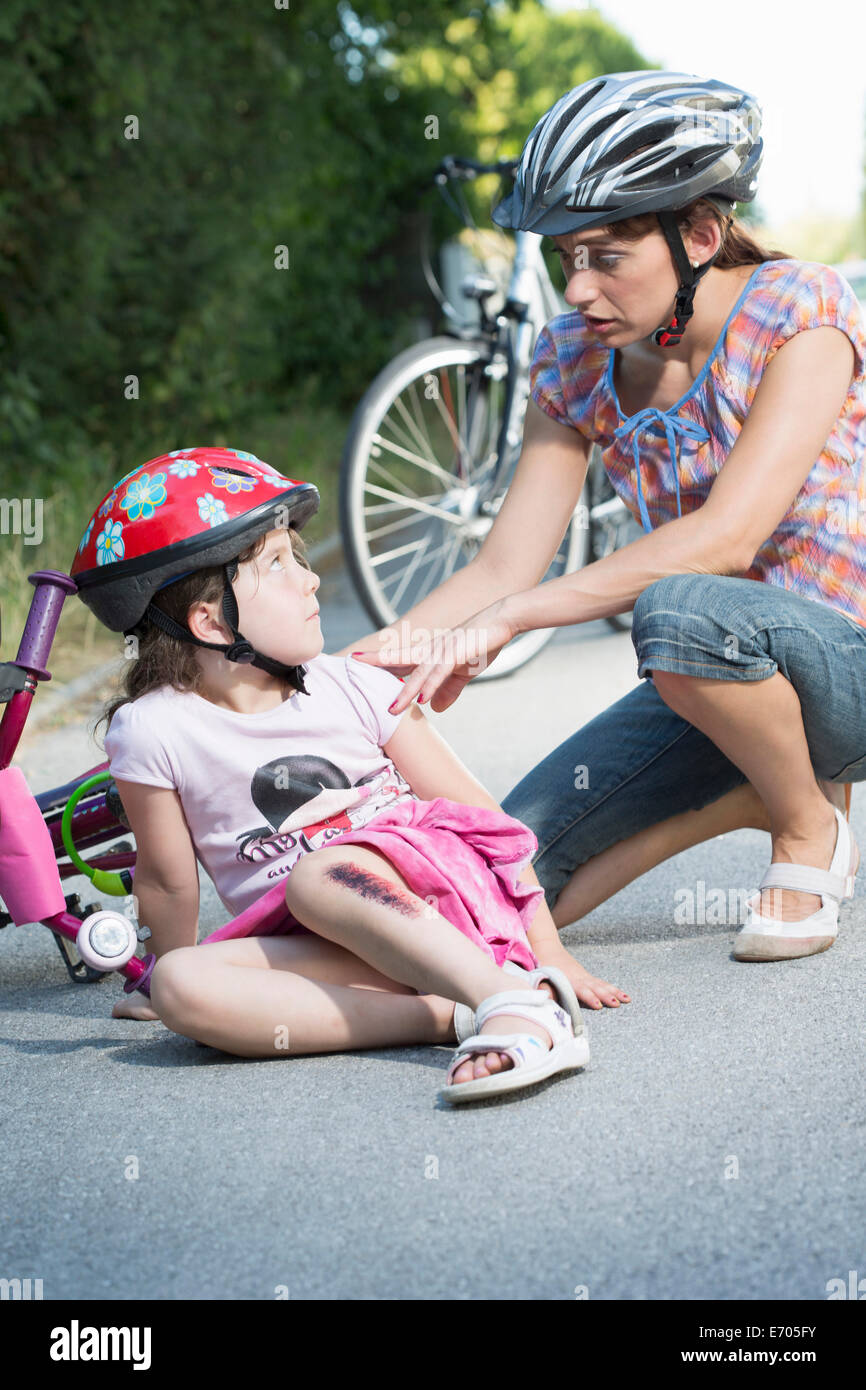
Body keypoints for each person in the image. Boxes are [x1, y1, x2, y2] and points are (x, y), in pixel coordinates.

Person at [348, 70, 866, 963]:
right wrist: (325, 677)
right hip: (713, 679)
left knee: (676, 606)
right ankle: (755, 789)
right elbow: (502, 568)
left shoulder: (800, 313)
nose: (579, 289)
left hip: (841, 661)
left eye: (607, 257)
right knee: (505, 876)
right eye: (566, 259)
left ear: (700, 235)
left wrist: (505, 623)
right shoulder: (574, 362)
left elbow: (725, 538)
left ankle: (804, 827)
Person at [71, 446, 630, 1105]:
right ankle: (461, 1015)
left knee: (320, 874)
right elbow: (166, 882)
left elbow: (484, 822)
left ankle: (511, 996)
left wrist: (549, 949)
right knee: (180, 986)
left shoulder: (352, 685)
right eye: (277, 564)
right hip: (337, 949)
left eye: (298, 559)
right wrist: (156, 973)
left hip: (441, 909)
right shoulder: (151, 729)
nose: (309, 582)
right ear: (211, 620)